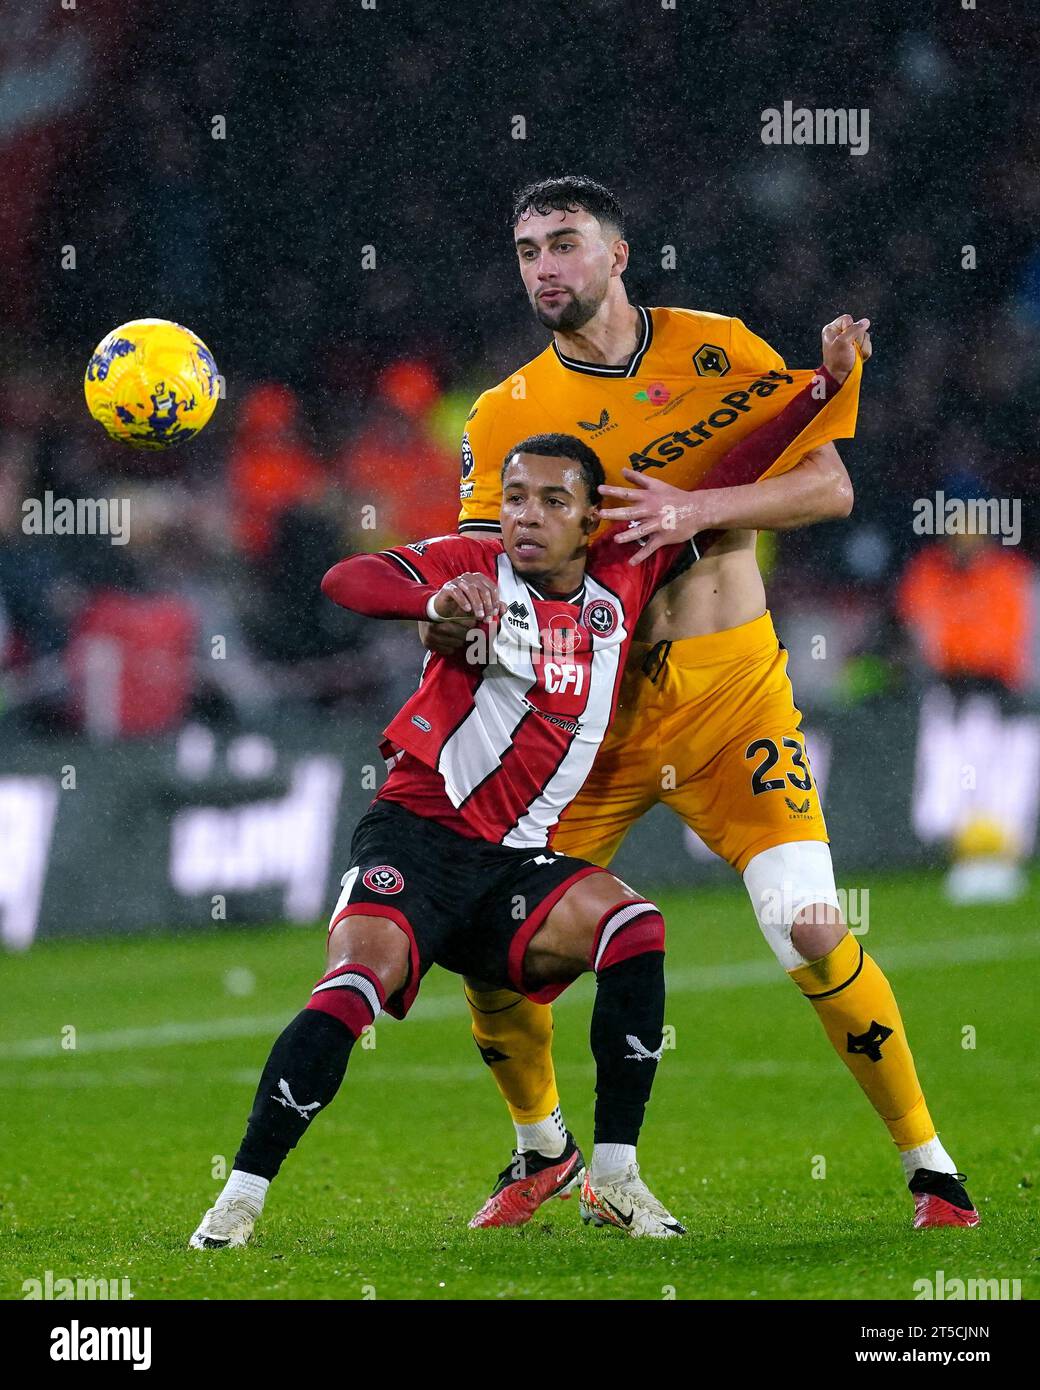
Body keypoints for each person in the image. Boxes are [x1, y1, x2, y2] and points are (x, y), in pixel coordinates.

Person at [427, 175, 978, 1232]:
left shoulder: (716, 349)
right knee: (488, 942)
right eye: (528, 251)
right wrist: (458, 616)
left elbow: (828, 486)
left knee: (808, 925)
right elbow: (486, 565)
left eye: (564, 243)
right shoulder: (503, 416)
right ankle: (542, 1147)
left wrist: (700, 507)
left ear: (618, 253)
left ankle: (930, 1166)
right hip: (588, 714)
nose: (544, 267)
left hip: (730, 696)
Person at [191, 433, 708, 1248]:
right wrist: (435, 606)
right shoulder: (474, 565)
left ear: (590, 523)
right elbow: (347, 580)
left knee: (635, 927)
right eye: (514, 498)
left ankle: (614, 1179)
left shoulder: (624, 574)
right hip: (416, 841)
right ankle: (238, 1201)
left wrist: (818, 392)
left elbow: (726, 465)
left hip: (515, 869)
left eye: (552, 501)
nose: (525, 516)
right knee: (352, 987)